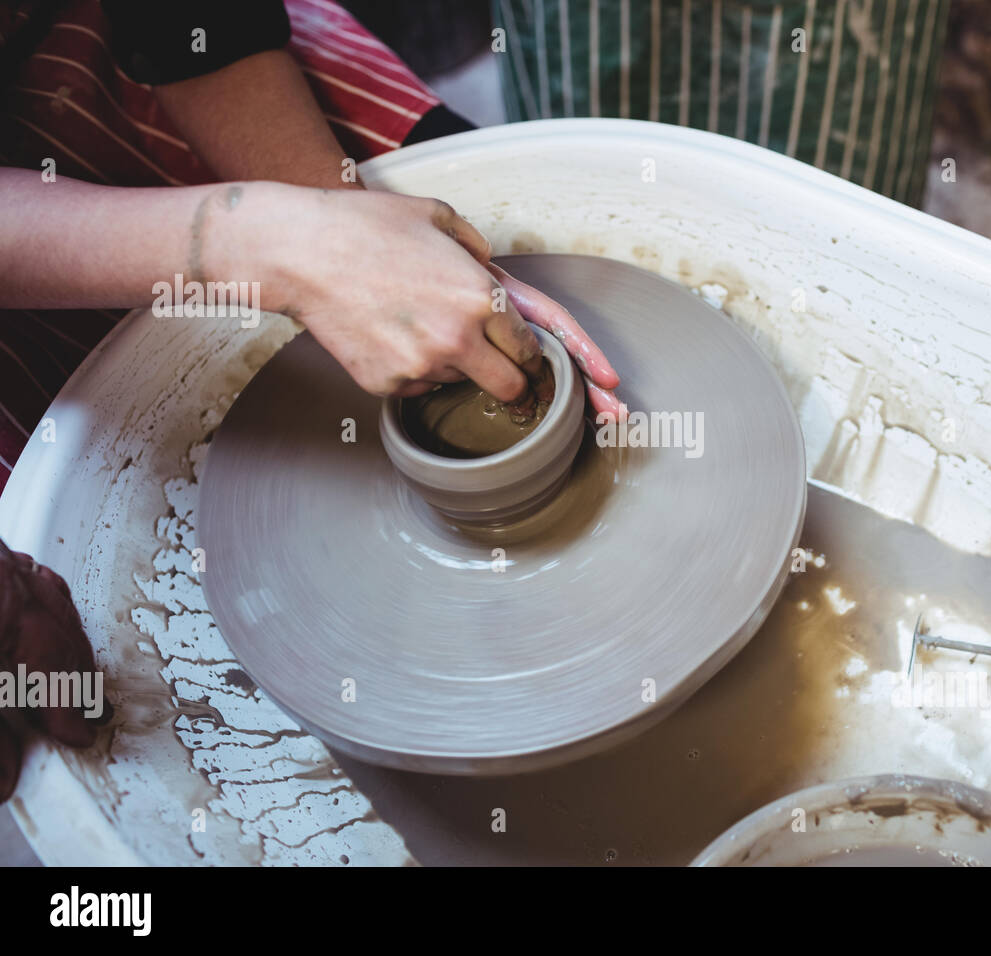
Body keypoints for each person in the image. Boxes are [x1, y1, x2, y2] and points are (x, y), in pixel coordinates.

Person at [0, 0, 620, 802]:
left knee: (440, 205)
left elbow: (196, 29)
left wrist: (338, 219)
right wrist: (266, 246)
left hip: (117, 43)